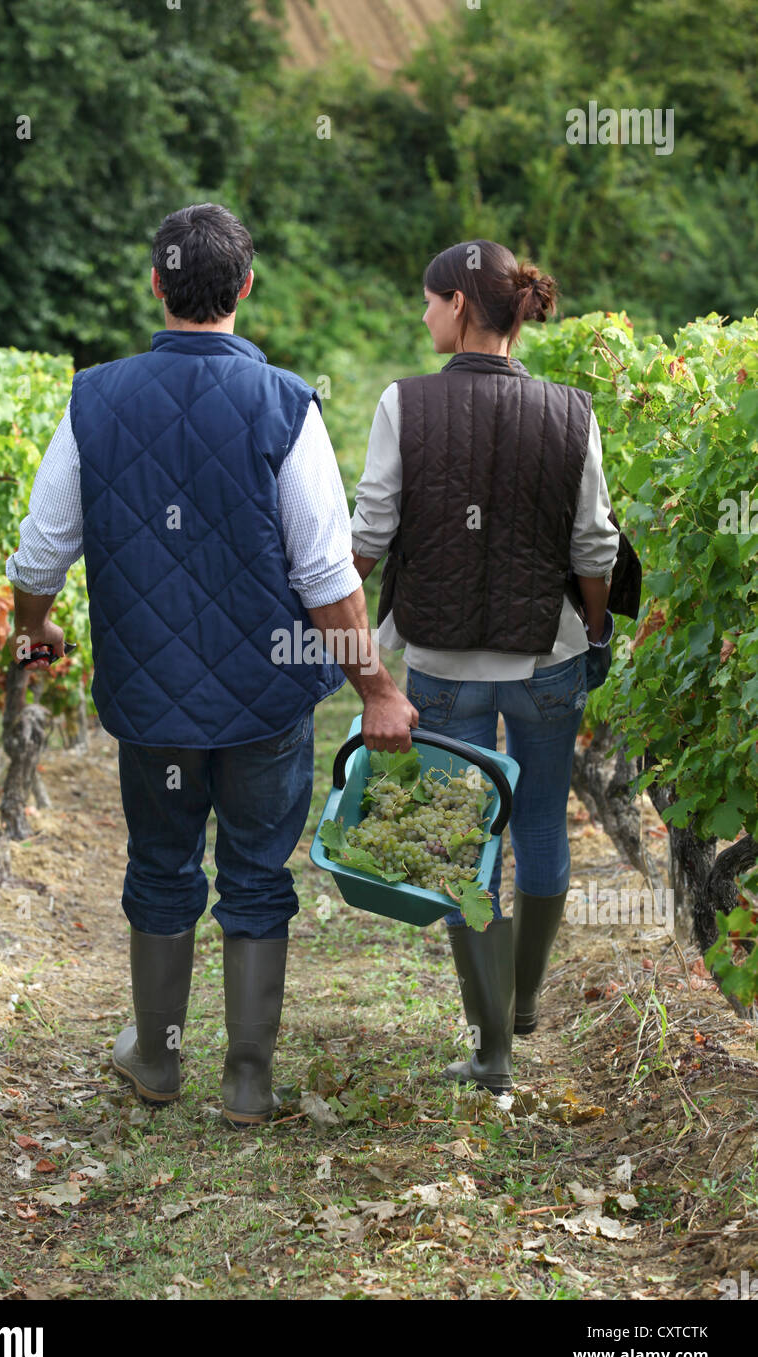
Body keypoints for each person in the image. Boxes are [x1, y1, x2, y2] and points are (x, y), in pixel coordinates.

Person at [5, 204, 417, 1126]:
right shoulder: (282, 401)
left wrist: (37, 629)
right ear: (246, 287)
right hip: (266, 703)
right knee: (258, 874)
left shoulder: (95, 398)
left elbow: (40, 554)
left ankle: (154, 1058)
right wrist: (377, 689)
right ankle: (246, 1079)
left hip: (150, 702)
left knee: (160, 865)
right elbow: (324, 574)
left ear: (155, 284)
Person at [350, 239, 620, 1094]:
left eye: (429, 301)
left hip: (440, 661)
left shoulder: (406, 405)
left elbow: (366, 537)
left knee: (465, 845)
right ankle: (526, 1000)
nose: (423, 315)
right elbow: (594, 546)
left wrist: (335, 624)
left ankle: (492, 1043)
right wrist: (598, 631)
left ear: (460, 306)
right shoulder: (572, 411)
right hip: (548, 658)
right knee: (539, 823)